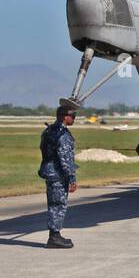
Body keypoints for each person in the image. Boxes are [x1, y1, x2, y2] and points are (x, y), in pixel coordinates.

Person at [38, 105, 78, 249]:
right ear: (63, 116)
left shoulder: (48, 131)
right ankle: (54, 236)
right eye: (72, 116)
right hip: (58, 174)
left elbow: (43, 149)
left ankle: (55, 235)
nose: (74, 118)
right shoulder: (63, 135)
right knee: (58, 205)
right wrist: (72, 178)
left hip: (49, 171)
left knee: (53, 204)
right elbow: (66, 159)